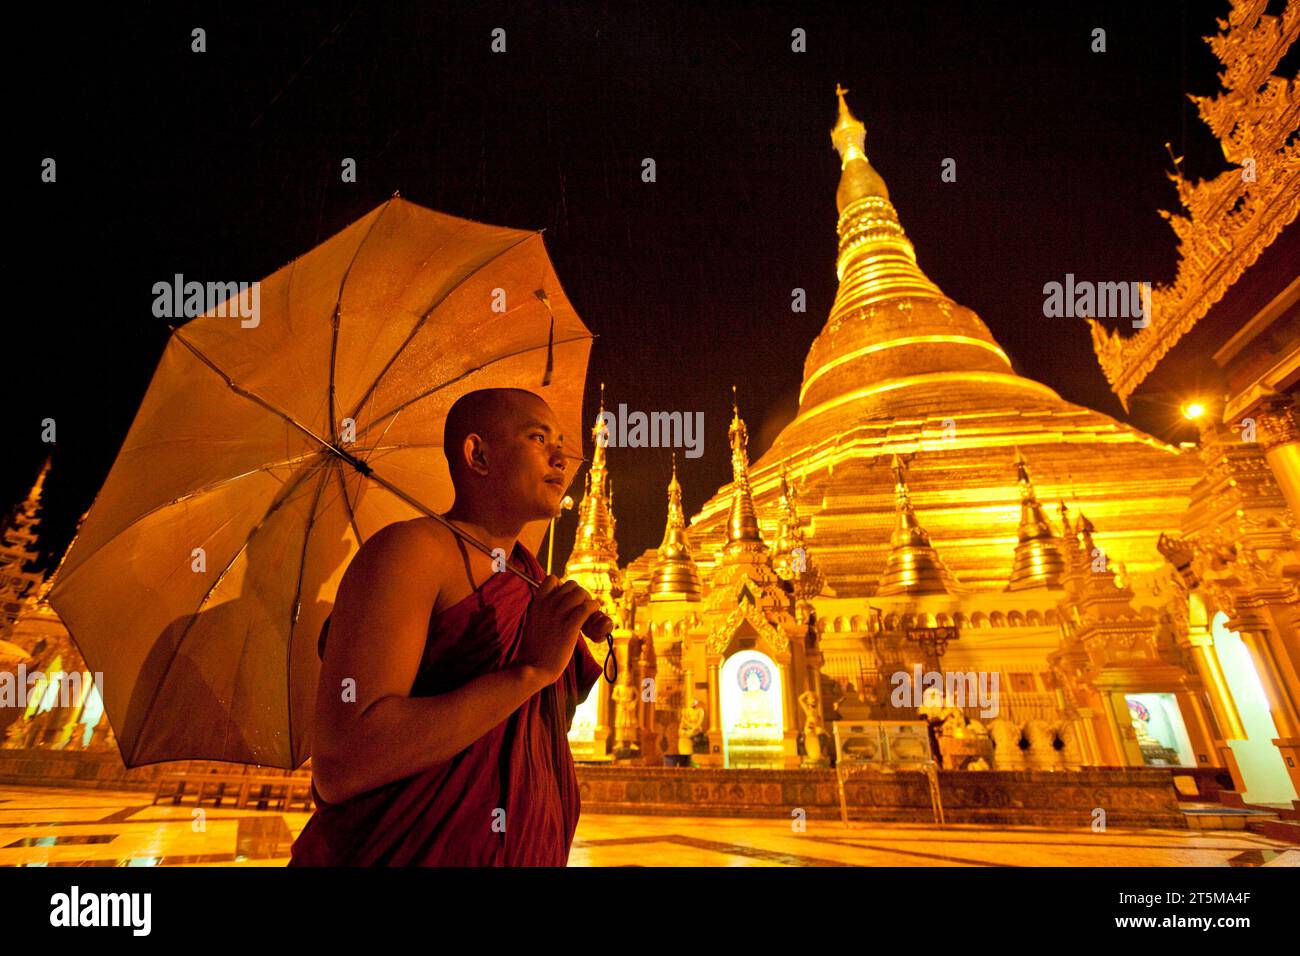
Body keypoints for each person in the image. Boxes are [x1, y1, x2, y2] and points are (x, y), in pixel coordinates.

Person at [288, 387, 611, 866]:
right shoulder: (413, 552)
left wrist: (562, 638)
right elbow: (343, 762)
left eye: (561, 441)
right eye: (539, 438)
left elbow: (530, 735)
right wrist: (529, 670)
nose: (562, 457)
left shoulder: (530, 578)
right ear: (477, 454)